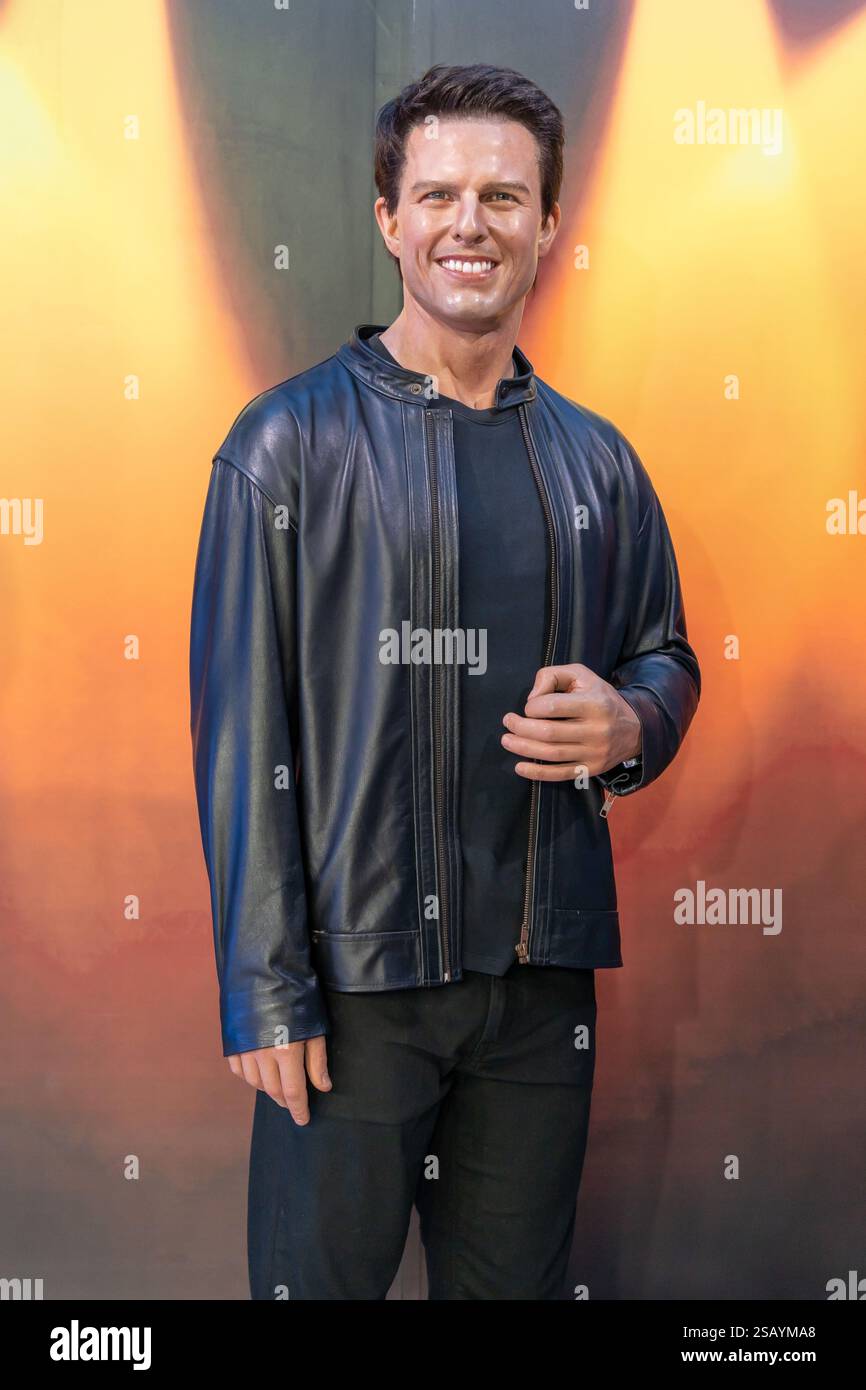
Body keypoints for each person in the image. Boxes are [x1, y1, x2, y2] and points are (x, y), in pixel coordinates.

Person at [189, 62, 701, 1300]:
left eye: (501, 197)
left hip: (538, 992)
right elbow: (238, 736)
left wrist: (630, 719)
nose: (468, 223)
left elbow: (666, 656)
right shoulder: (284, 445)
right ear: (388, 220)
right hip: (348, 993)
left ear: (545, 225)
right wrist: (265, 992)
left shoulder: (598, 463)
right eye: (436, 195)